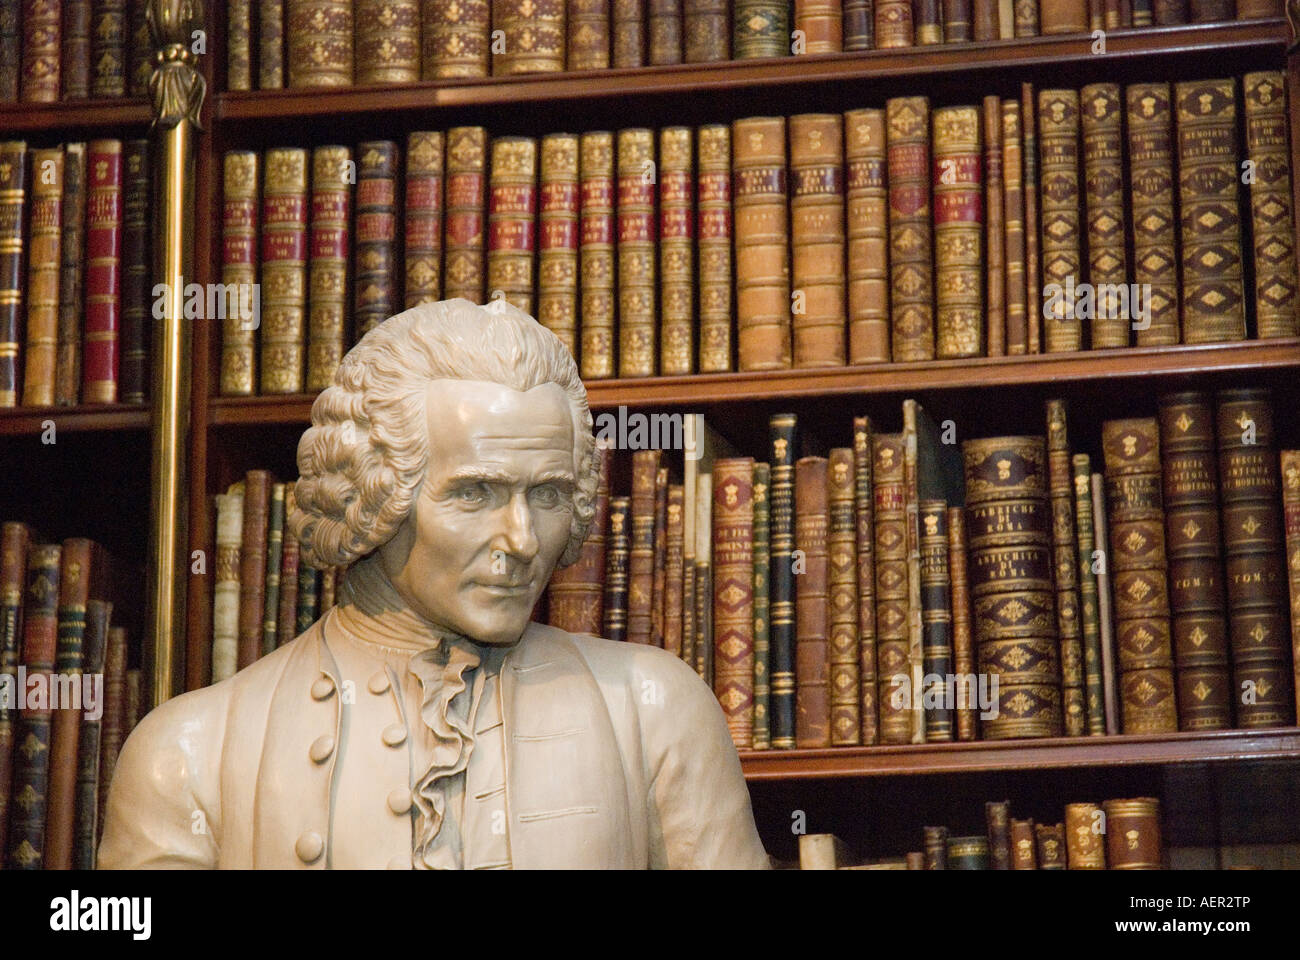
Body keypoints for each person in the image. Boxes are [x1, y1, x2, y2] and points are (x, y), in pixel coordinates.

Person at [99, 298, 769, 869]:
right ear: (373, 495)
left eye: (548, 494)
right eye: (476, 492)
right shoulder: (189, 755)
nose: (523, 539)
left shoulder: (656, 713)